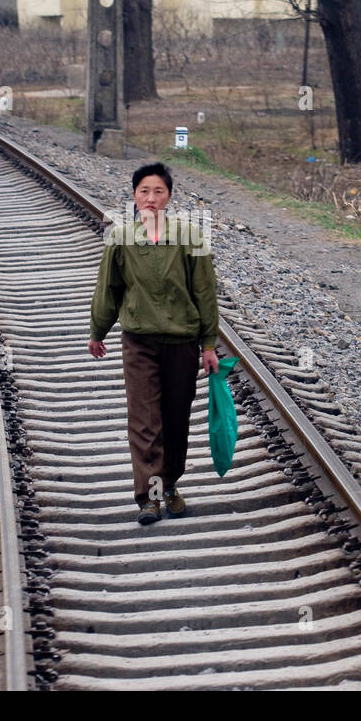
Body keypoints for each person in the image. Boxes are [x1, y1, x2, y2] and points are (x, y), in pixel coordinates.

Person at [87, 162, 220, 526]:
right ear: (134, 196)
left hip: (182, 342)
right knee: (145, 419)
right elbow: (108, 289)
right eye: (144, 191)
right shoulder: (121, 239)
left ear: (169, 197)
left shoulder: (191, 238)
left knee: (175, 419)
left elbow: (205, 292)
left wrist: (209, 344)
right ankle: (149, 497)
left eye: (158, 191)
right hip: (139, 341)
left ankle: (170, 484)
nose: (151, 198)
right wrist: (98, 331)